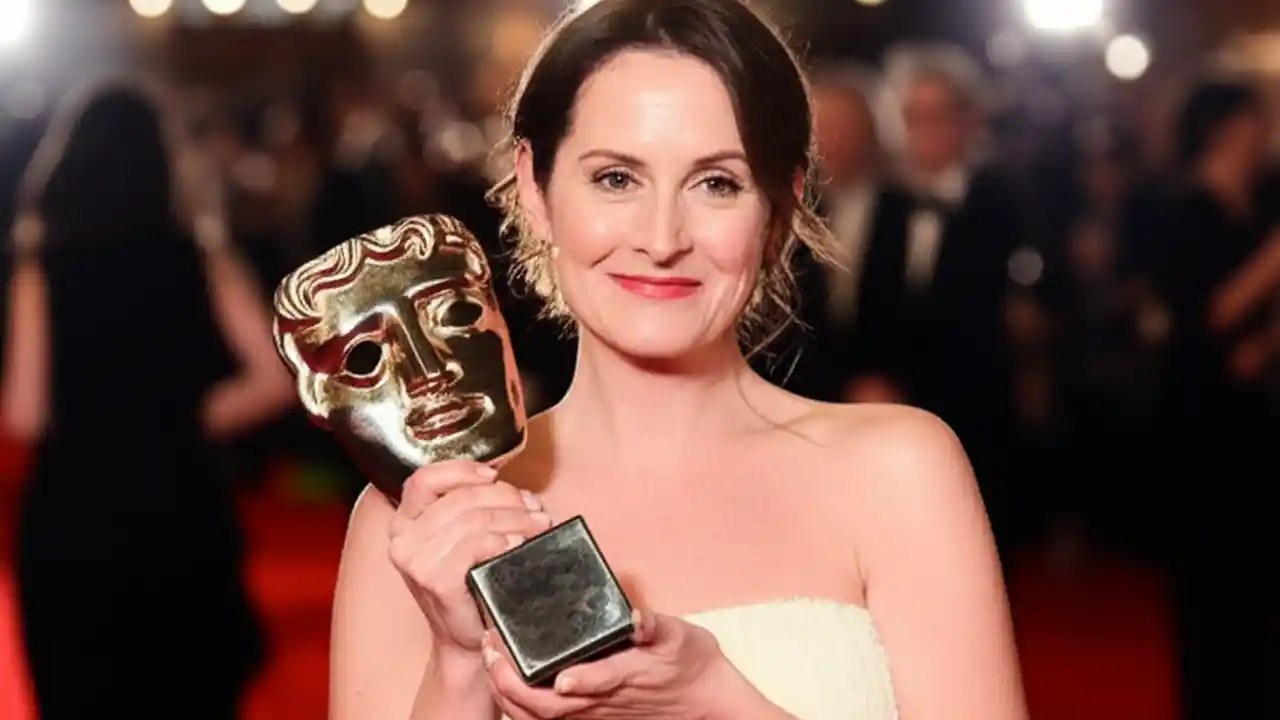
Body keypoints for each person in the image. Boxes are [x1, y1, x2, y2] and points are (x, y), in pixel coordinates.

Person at [330, 2, 1026, 719]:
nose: (662, 237)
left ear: (780, 206)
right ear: (535, 189)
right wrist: (458, 660)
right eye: (616, 179)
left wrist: (715, 700)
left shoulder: (898, 471)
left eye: (716, 183)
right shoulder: (423, 521)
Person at [1, 81, 295, 717]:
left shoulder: (41, 268)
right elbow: (276, 376)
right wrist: (190, 418)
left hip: (75, 517)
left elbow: (23, 413)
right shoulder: (201, 259)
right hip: (179, 505)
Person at [1154, 77, 1280, 720]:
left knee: (1261, 583)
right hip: (1200, 425)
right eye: (1261, 120)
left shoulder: (1261, 201)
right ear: (1228, 127)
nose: (1270, 133)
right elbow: (1204, 316)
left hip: (1259, 418)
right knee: (1211, 584)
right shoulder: (1184, 210)